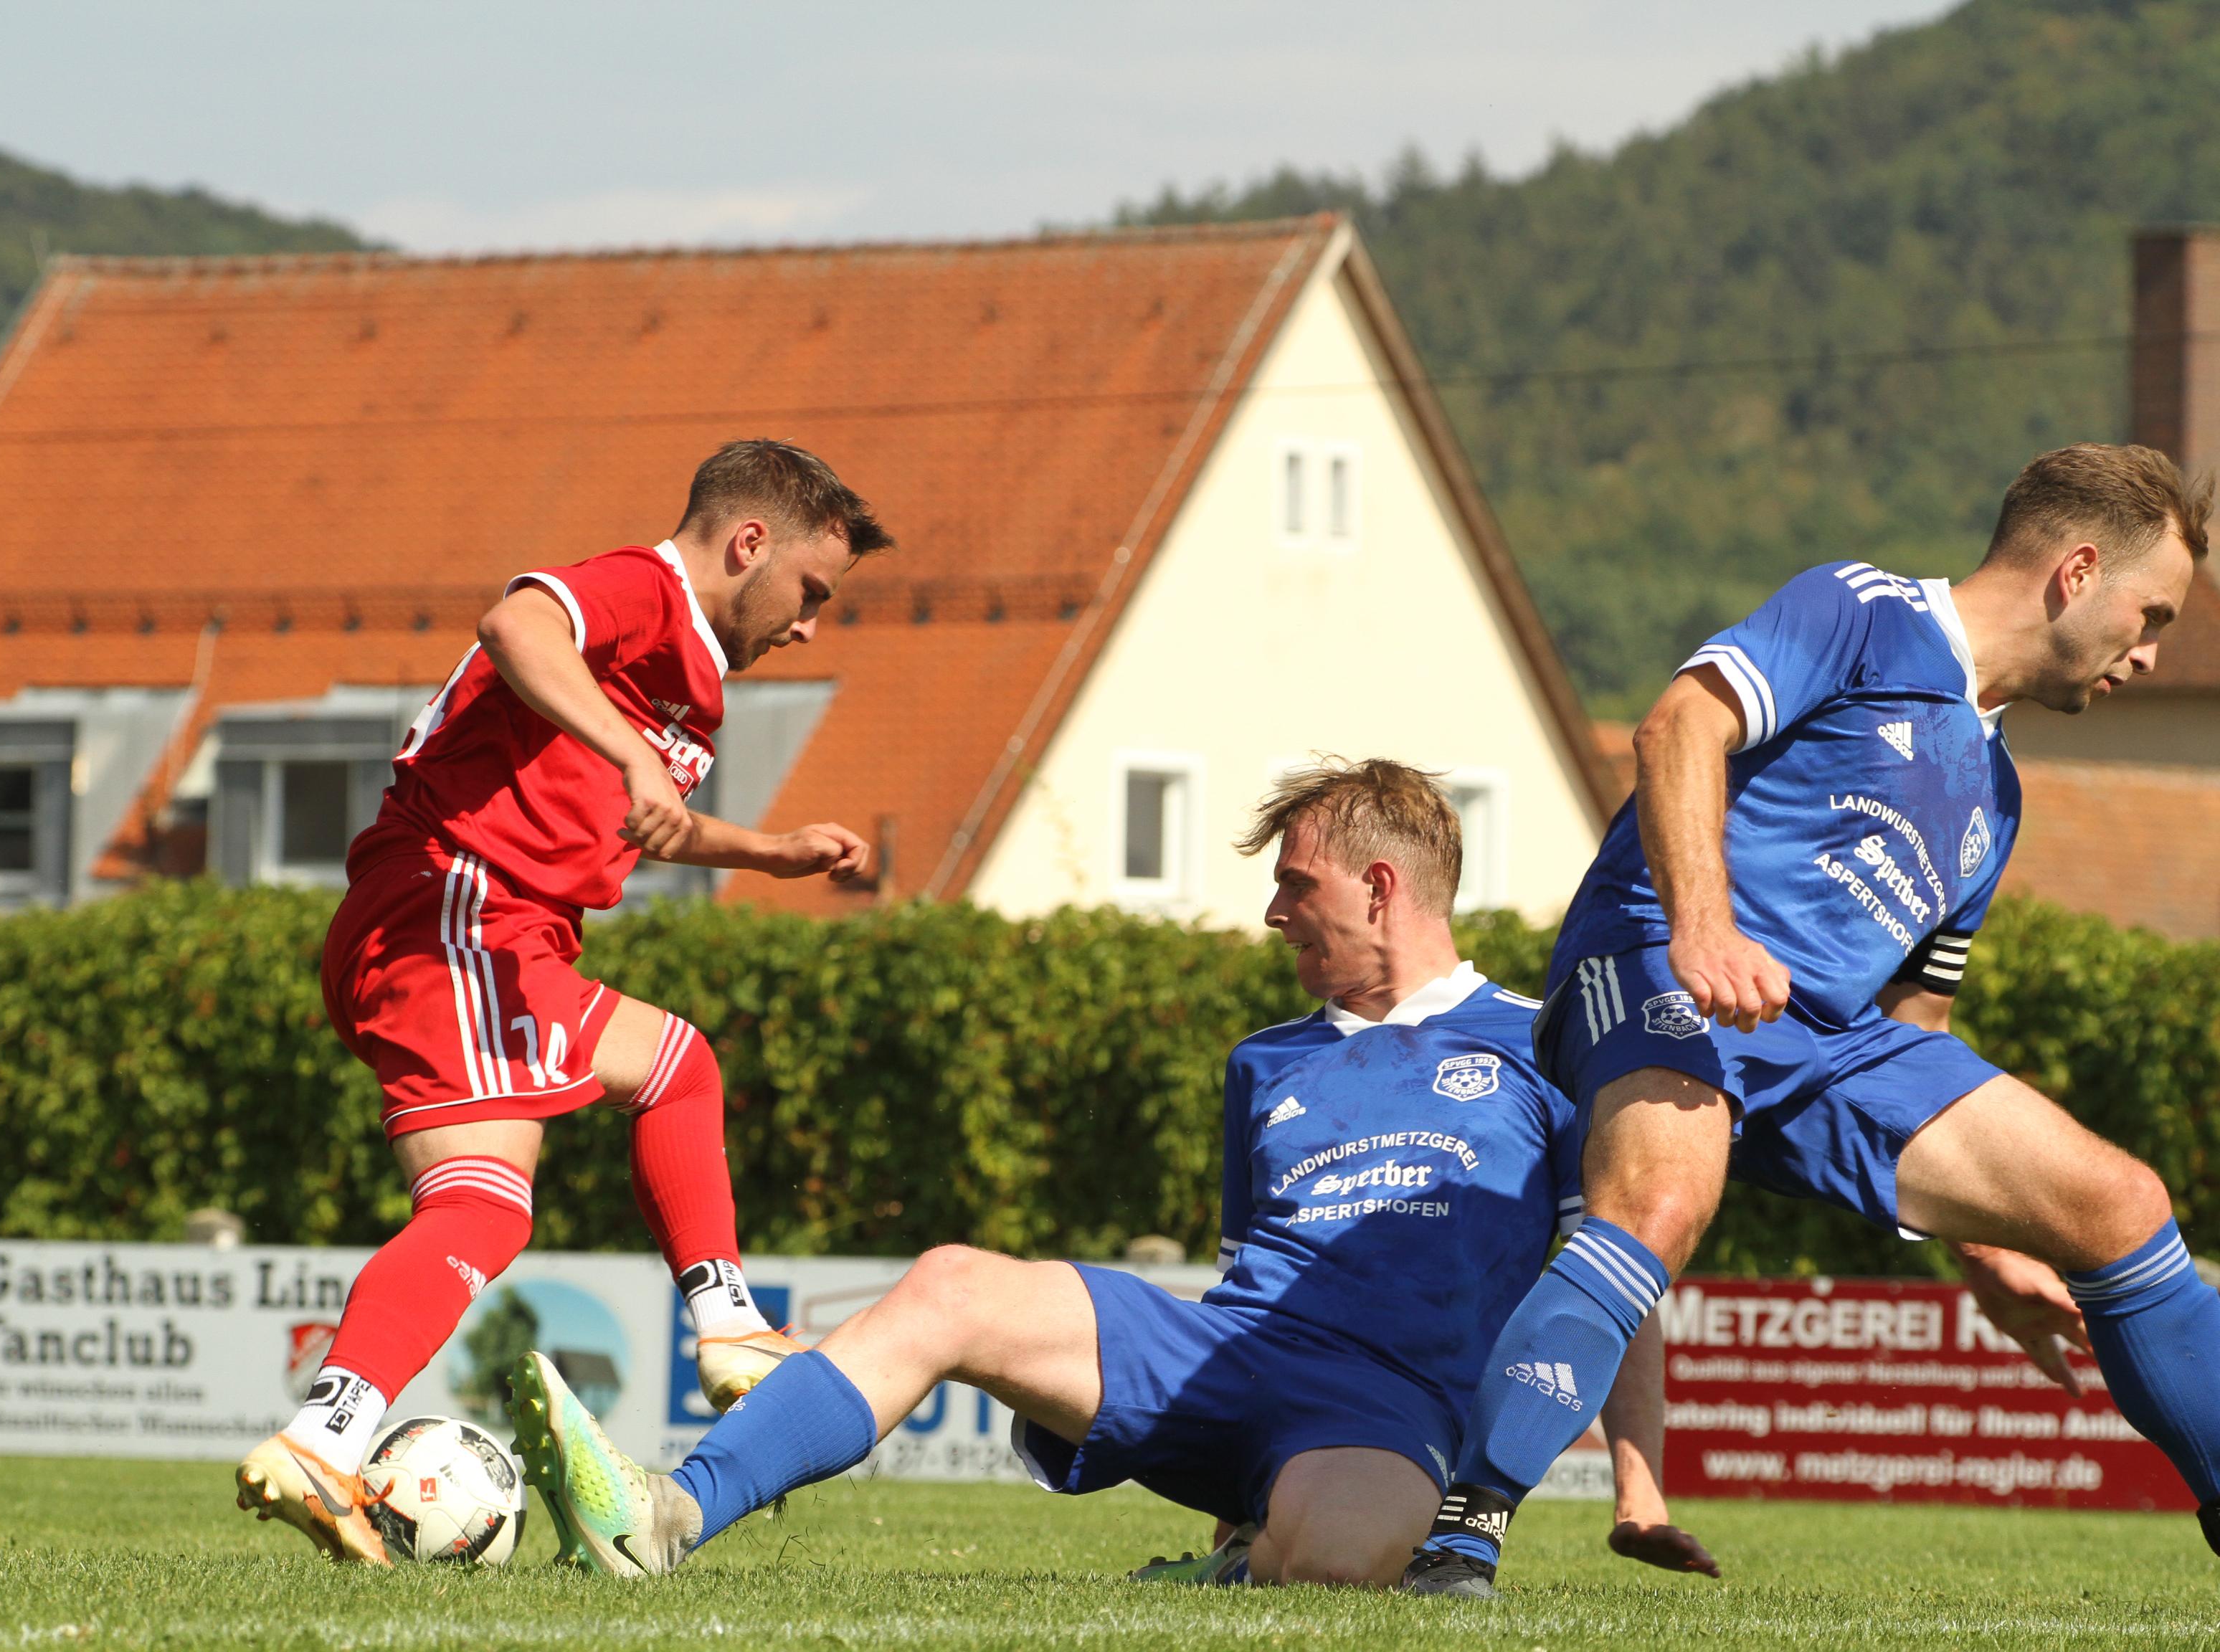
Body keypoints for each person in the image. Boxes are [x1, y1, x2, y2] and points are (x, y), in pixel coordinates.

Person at [506, 759, 1718, 1587]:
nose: (1273, 914)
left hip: (1388, 1404)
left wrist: (1639, 1492)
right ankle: (668, 1514)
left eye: (1295, 885)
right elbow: (1246, 1271)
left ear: (1381, 887)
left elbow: (1614, 1277)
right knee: (952, 1283)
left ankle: (1252, 1557)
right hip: (1219, 1355)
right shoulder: (1264, 1062)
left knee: (1341, 1566)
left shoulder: (1549, 1046)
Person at [1405, 443, 2220, 1596]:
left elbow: (1916, 1030)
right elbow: (1678, 728)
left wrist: (1985, 1243)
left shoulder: (1994, 800)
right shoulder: (1863, 611)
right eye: (2152, 616)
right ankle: (1460, 1537)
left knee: (2120, 1205)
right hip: (1656, 962)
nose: (2149, 654)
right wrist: (1703, 929)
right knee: (1664, 1199)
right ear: (2078, 571)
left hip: (1829, 1041)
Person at [234, 439, 892, 1564]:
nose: (809, 626)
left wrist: (769, 850)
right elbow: (517, 625)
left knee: (626, 1104)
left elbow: (643, 816)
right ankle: (331, 1437)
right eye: (812, 591)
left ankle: (331, 1437)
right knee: (536, 1168)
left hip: (478, 931)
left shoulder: (684, 675)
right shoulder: (646, 589)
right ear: (749, 544)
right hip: (457, 909)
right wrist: (634, 755)